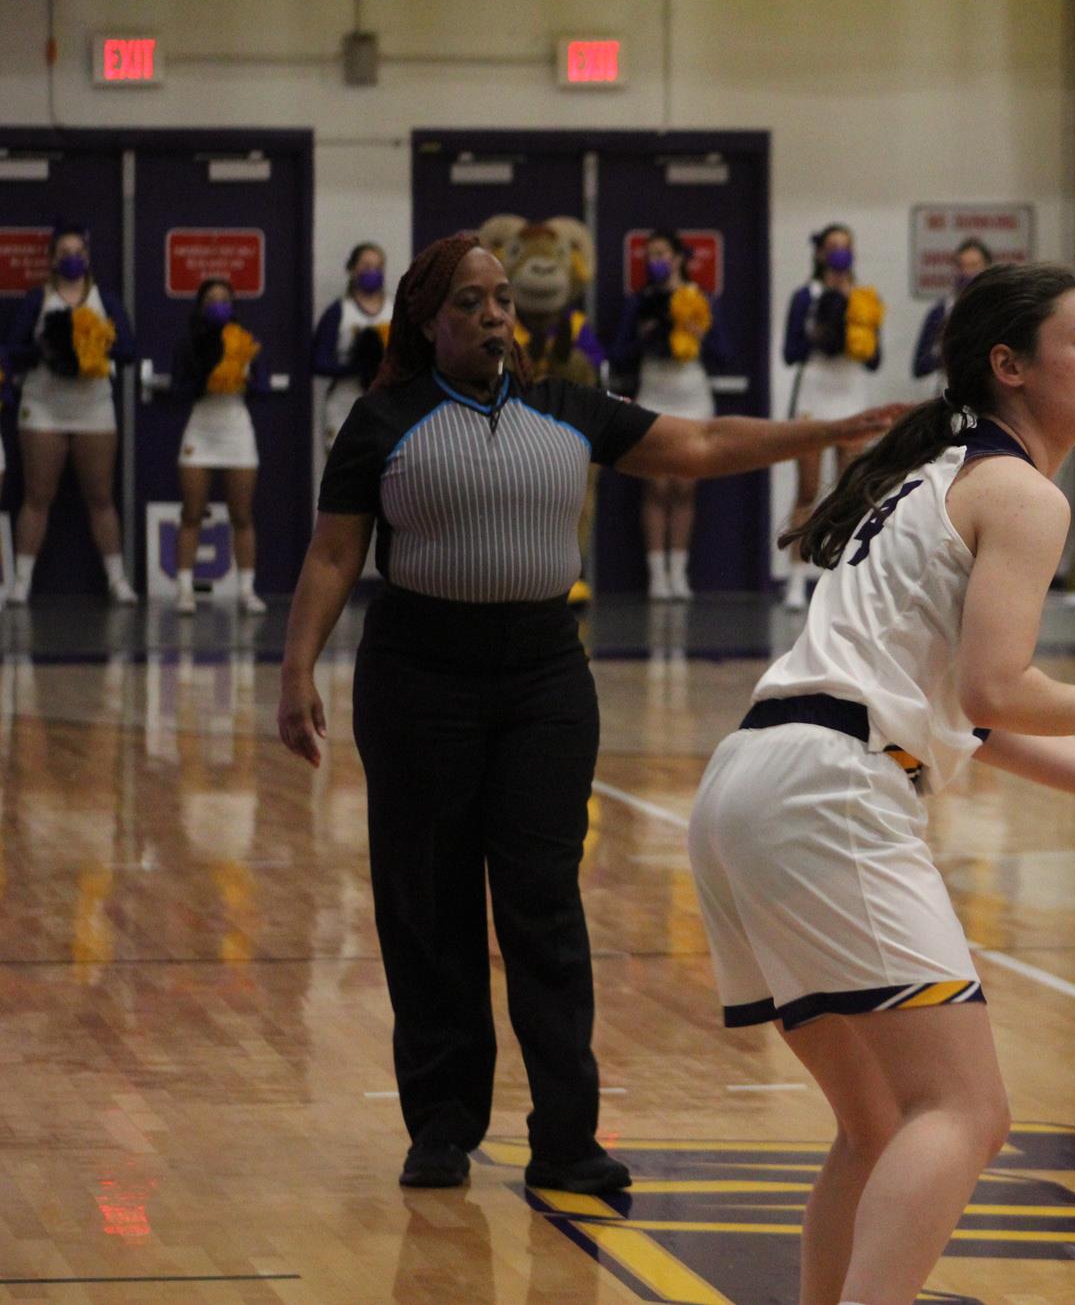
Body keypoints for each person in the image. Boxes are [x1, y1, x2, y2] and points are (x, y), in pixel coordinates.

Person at [273, 233, 895, 1195]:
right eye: (472, 303)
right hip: (418, 677)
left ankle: (566, 1138)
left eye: (502, 303)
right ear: (429, 321)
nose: (493, 317)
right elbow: (330, 553)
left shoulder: (567, 408)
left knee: (544, 906)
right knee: (428, 904)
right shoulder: (380, 421)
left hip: (542, 681)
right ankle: (442, 1124)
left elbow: (696, 444)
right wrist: (296, 667)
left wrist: (828, 432)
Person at [688, 262, 1075, 1305]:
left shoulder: (931, 475)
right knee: (964, 1112)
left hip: (749, 784)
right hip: (829, 793)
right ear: (1010, 367)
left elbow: (967, 713)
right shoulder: (1020, 495)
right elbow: (999, 685)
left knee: (878, 1124)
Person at [2, 225, 139, 604]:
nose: (71, 257)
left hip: (93, 406)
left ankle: (117, 580)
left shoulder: (104, 300)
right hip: (43, 405)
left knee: (100, 496)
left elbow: (128, 348)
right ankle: (22, 581)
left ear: (88, 257)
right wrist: (48, 348)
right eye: (64, 251)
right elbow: (13, 349)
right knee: (36, 495)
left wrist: (93, 351)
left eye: (78, 250)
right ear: (52, 258)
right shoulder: (37, 299)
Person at [781, 223, 885, 611]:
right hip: (814, 394)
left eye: (847, 246)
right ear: (820, 253)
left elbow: (875, 361)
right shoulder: (804, 296)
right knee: (808, 490)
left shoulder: (865, 296)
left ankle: (841, 576)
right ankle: (796, 579)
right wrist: (819, 327)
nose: (840, 254)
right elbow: (789, 353)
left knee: (851, 490)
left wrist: (859, 329)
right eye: (833, 247)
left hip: (851, 394)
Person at [611, 231, 717, 601]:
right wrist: (647, 334)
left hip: (692, 395)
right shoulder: (640, 302)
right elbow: (619, 353)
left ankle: (679, 572)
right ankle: (656, 574)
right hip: (654, 393)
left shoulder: (698, 297)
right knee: (656, 485)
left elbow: (724, 352)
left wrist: (698, 331)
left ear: (678, 258)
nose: (656, 260)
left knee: (685, 485)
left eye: (662, 254)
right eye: (650, 254)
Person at [169, 278, 268, 614]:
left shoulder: (246, 341)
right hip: (201, 429)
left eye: (225, 298)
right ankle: (184, 590)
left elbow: (262, 385)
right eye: (211, 299)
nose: (219, 304)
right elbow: (178, 389)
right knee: (192, 512)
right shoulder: (188, 343)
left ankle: (246, 590)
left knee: (242, 514)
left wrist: (248, 378)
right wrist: (205, 374)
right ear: (200, 305)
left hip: (236, 428)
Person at [311, 242, 393, 446]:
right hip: (344, 403)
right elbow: (318, 362)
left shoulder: (395, 310)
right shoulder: (339, 311)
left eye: (377, 267)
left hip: (385, 401)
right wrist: (355, 367)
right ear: (352, 269)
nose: (372, 271)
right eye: (366, 266)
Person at [913, 237, 992, 388]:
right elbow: (919, 367)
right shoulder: (941, 311)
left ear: (987, 268)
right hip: (951, 390)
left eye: (974, 265)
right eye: (963, 266)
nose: (968, 272)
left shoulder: (1001, 308)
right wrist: (951, 354)